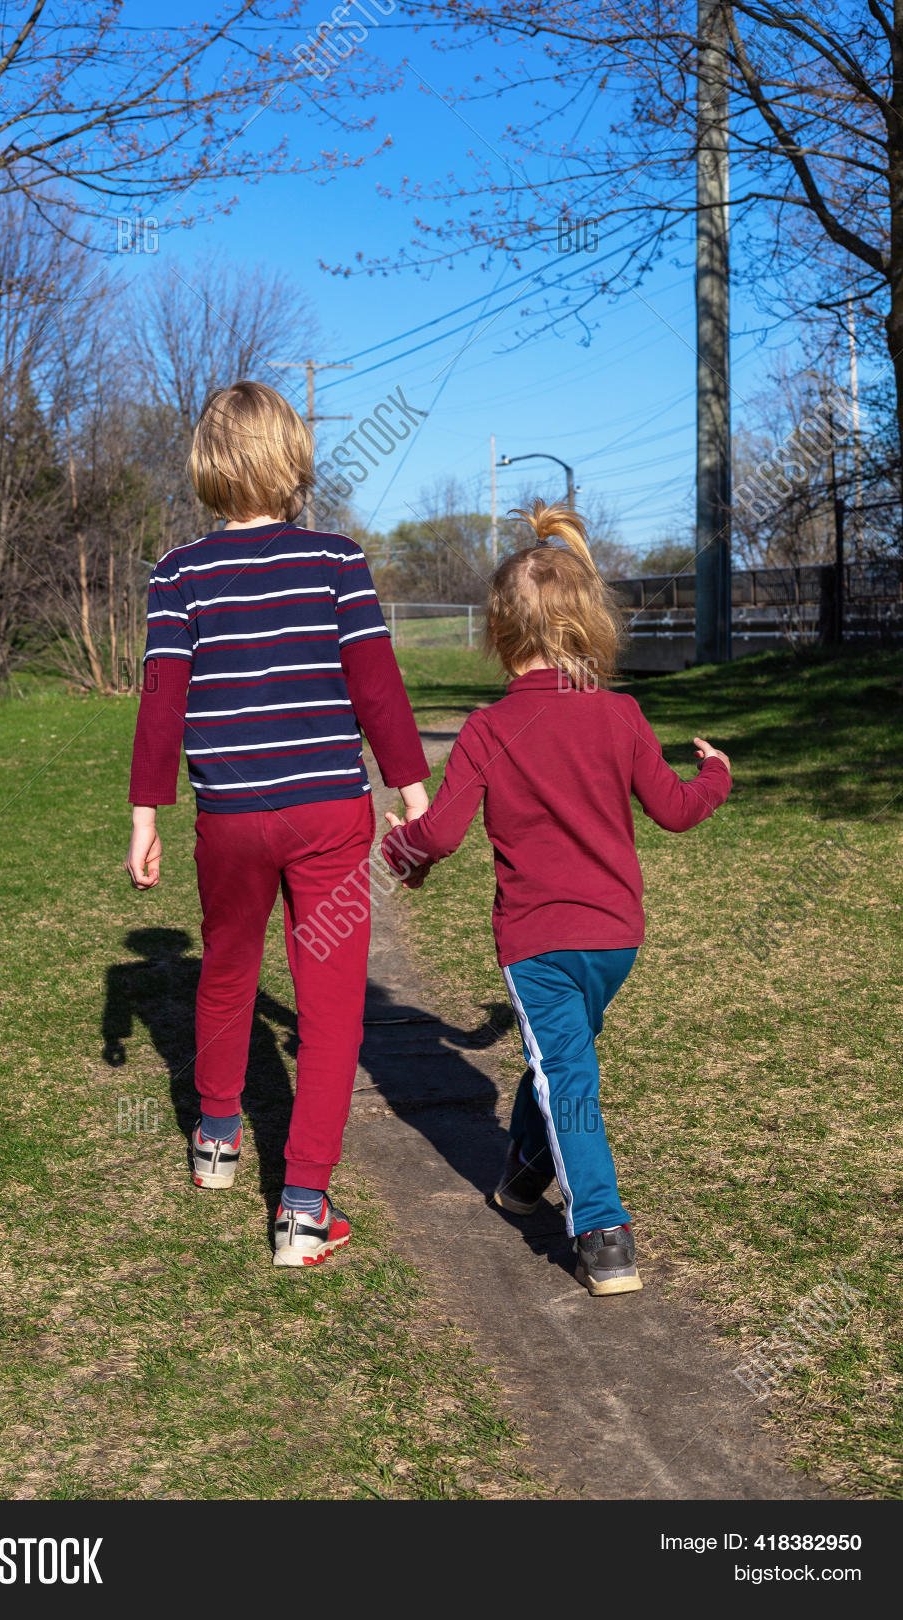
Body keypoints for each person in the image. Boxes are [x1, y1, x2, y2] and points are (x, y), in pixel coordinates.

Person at [382, 501, 732, 1296]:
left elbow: (437, 836)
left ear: (499, 635)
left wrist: (397, 848)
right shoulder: (622, 714)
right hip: (615, 941)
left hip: (540, 944)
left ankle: (604, 1231)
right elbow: (676, 811)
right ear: (589, 625)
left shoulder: (486, 728)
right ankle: (527, 1173)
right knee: (559, 1062)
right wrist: (716, 773)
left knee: (566, 1075)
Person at [125, 381, 429, 1267]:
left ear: (207, 466)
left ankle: (217, 1140)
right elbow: (376, 686)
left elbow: (160, 703)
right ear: (293, 459)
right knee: (332, 1010)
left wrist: (146, 815)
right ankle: (303, 1207)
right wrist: (412, 795)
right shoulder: (338, 561)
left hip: (229, 818)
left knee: (226, 968)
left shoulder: (179, 573)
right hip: (329, 812)